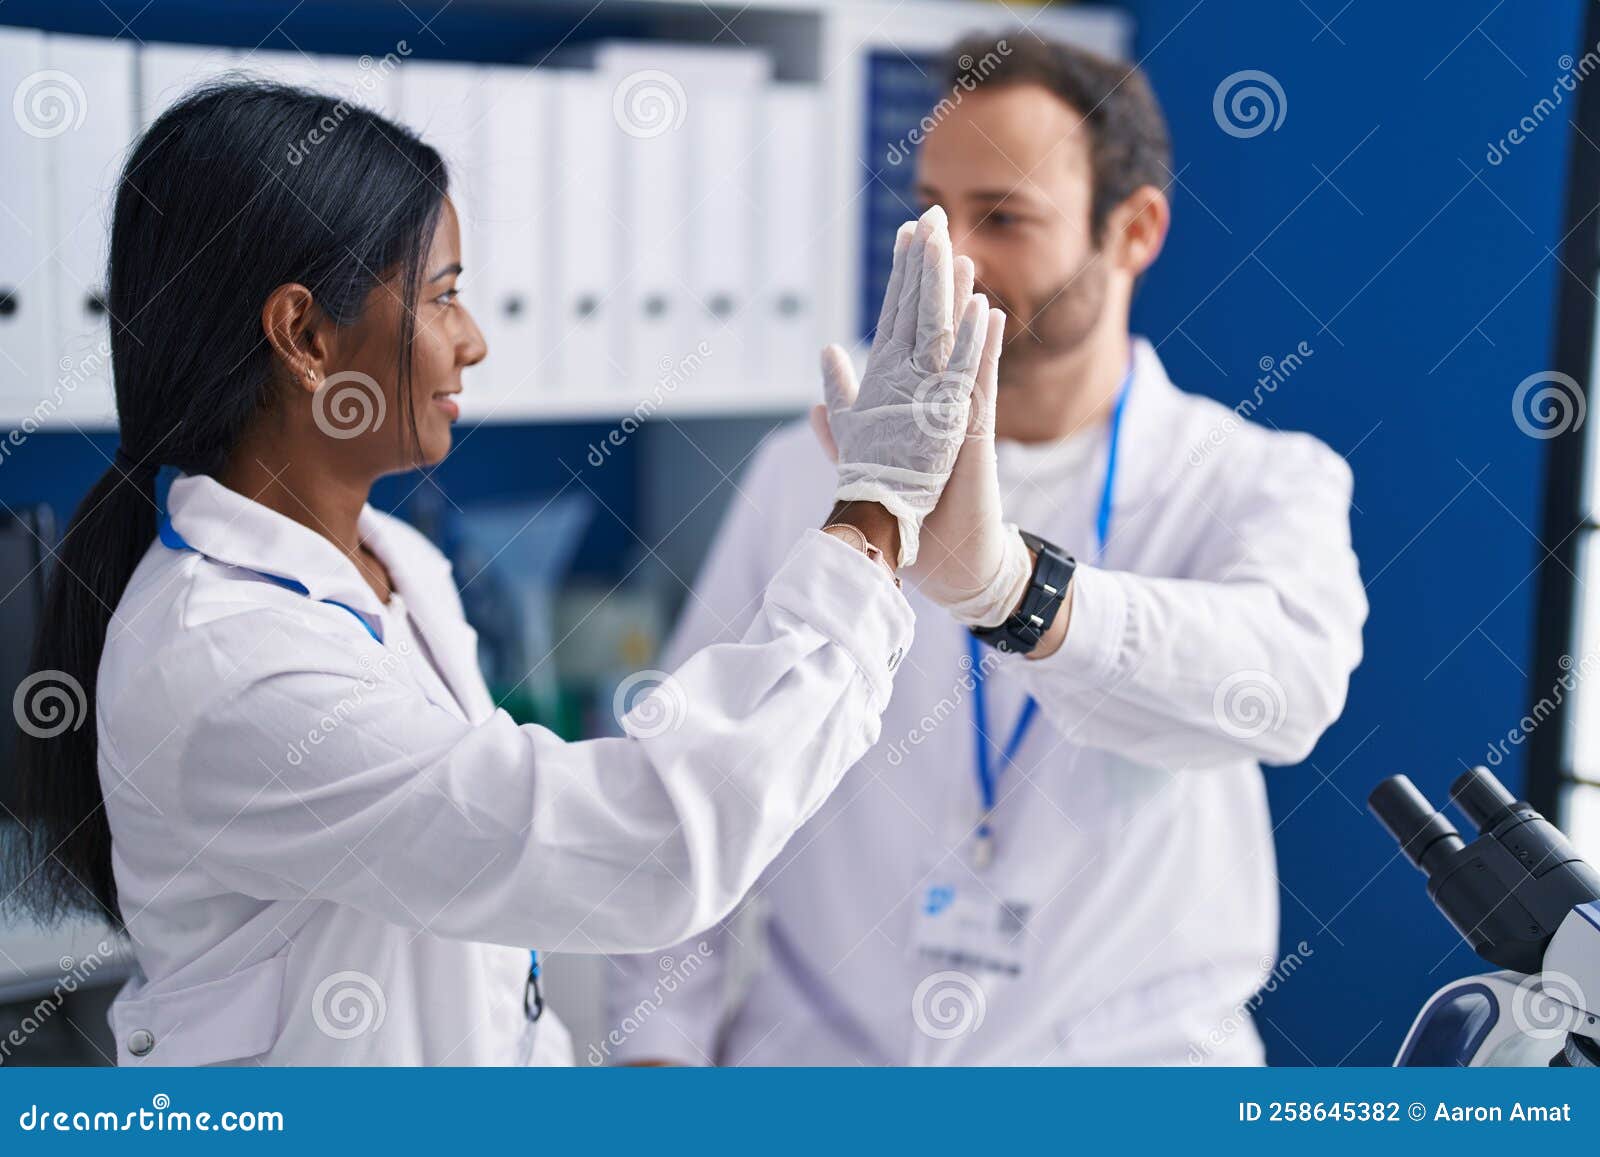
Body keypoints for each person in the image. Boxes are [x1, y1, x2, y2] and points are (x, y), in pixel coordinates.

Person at [0, 80, 1006, 1066]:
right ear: (306, 337)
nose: (472, 340)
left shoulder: (399, 566)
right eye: (441, 295)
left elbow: (481, 947)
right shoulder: (227, 664)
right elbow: (651, 845)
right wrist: (873, 514)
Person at [605, 35, 1368, 1066]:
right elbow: (697, 763)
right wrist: (658, 1053)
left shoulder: (1255, 477)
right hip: (819, 1064)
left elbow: (1289, 684)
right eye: (932, 209)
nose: (951, 257)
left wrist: (1013, 588)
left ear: (1133, 230)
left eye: (1002, 217)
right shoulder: (815, 463)